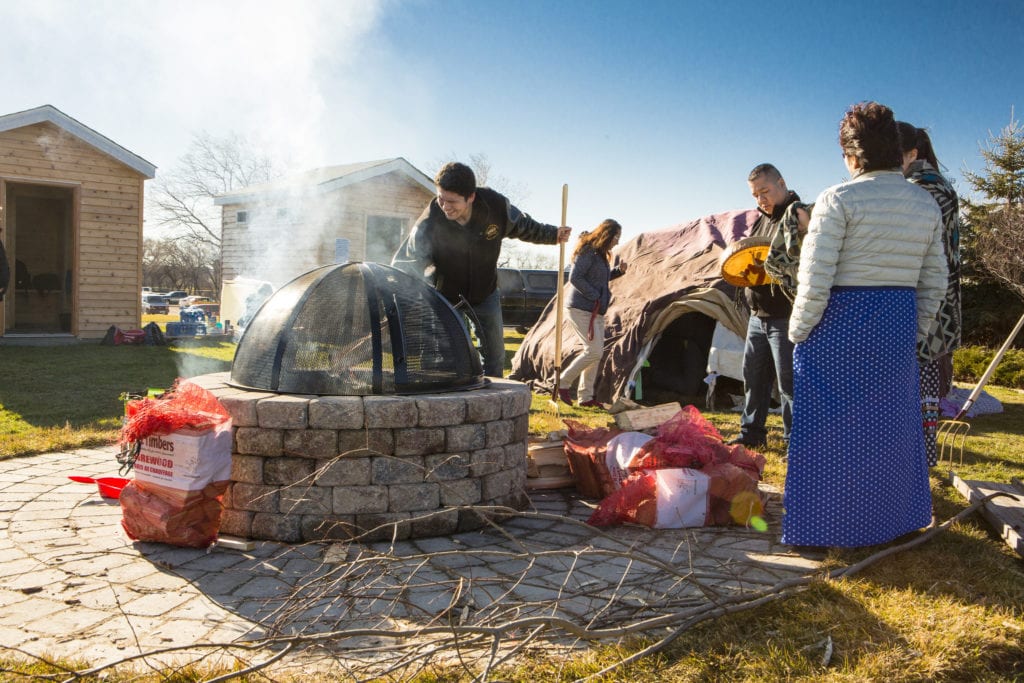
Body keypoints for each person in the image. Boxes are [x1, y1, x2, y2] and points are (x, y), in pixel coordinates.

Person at [783, 102, 947, 548]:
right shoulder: (925, 203)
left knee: (828, 430)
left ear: (852, 156)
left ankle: (825, 528)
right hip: (895, 320)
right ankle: (891, 523)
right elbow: (935, 281)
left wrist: (799, 331)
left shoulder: (837, 198)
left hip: (839, 323)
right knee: (887, 428)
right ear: (896, 151)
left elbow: (815, 278)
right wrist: (913, 332)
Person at [392, 162, 571, 377]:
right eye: (440, 198)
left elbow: (524, 226)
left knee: (495, 355)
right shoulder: (429, 224)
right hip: (446, 297)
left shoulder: (495, 207)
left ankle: (493, 405)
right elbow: (406, 265)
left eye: (452, 201)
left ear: (471, 197)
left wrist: (553, 235)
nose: (444, 206)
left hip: (485, 293)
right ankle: (454, 401)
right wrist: (395, 295)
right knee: (450, 355)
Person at [897, 121, 963, 467]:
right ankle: (912, 471)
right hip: (930, 306)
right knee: (915, 394)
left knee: (917, 396)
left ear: (912, 153)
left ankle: (916, 473)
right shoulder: (926, 185)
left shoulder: (926, 190)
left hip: (928, 309)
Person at [729, 164, 801, 449]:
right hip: (758, 315)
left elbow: (796, 263)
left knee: (789, 383)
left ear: (781, 183)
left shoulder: (797, 215)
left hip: (786, 314)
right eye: (755, 194)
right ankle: (751, 435)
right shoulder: (761, 219)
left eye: (765, 191)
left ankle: (794, 441)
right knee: (754, 377)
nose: (760, 199)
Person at [556, 219, 627, 407]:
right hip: (580, 308)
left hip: (596, 310)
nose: (617, 241)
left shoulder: (600, 254)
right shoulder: (587, 250)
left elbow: (599, 279)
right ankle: (562, 382)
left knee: (595, 353)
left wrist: (618, 272)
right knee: (593, 351)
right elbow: (575, 277)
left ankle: (585, 397)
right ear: (606, 235)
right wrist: (594, 295)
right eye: (616, 237)